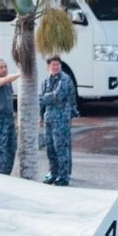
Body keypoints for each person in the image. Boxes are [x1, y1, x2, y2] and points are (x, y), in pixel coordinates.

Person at [39, 55, 78, 186]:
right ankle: (53, 173)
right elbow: (42, 101)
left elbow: (58, 96)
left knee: (61, 147)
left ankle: (64, 175)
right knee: (50, 147)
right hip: (49, 118)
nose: (55, 67)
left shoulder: (65, 79)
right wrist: (40, 116)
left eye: (58, 65)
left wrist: (43, 97)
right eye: (53, 65)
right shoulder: (46, 81)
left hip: (62, 119)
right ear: (48, 67)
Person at [0, 58, 20, 176]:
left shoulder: (8, 83)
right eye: (1, 67)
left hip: (9, 119)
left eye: (5, 66)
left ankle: (6, 174)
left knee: (11, 147)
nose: (4, 69)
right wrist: (20, 74)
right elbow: (5, 79)